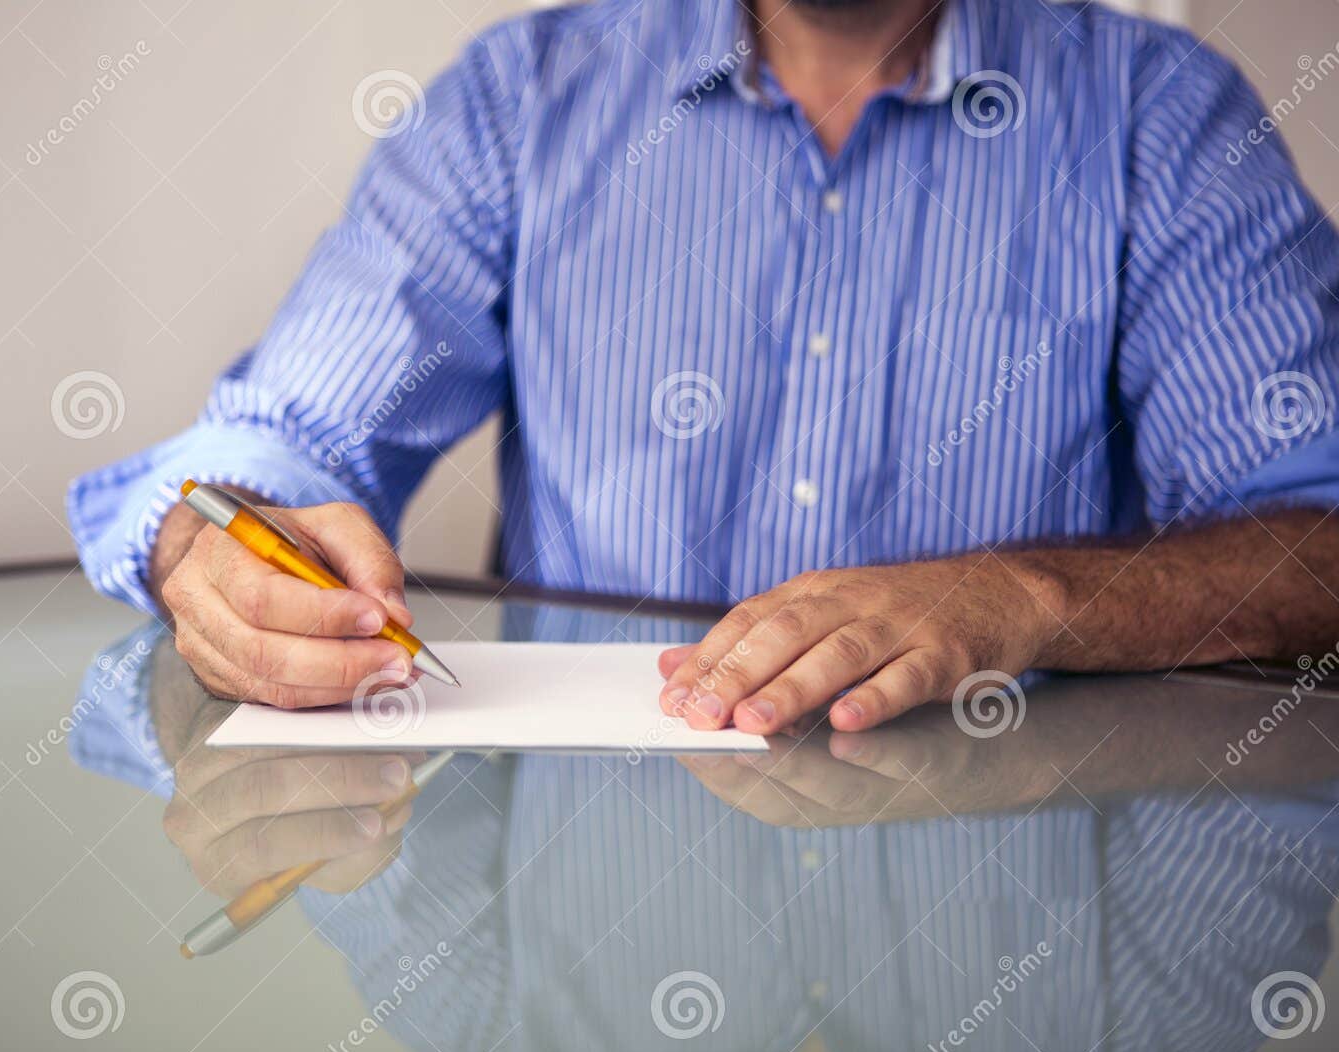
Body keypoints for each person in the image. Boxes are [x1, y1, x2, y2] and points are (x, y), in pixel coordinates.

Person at [68, 0, 1339, 734]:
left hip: (1010, 900)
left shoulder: (1165, 117)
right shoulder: (520, 100)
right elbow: (290, 430)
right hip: (602, 935)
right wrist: (208, 546)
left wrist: (1019, 596)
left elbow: (1315, 542)